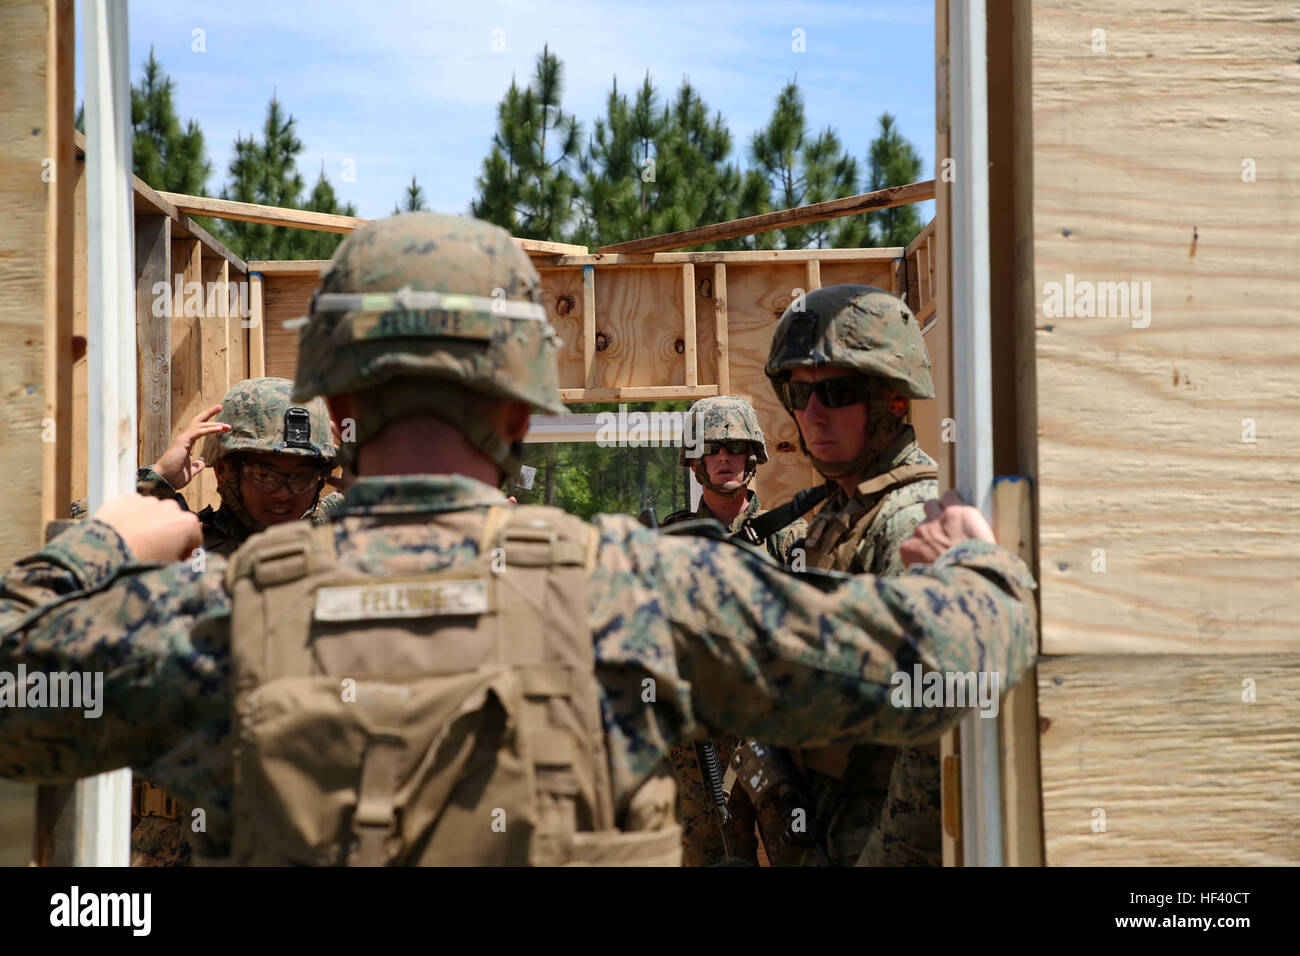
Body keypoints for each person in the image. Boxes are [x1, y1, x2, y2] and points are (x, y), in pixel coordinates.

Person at [0, 213, 1036, 866]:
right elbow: (949, 662)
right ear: (518, 407)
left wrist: (104, 533)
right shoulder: (639, 590)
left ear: (343, 399)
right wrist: (973, 561)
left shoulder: (214, 614)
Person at [758, 283, 945, 866]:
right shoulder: (843, 511)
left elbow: (932, 749)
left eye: (836, 393)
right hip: (830, 822)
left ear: (892, 400)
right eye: (799, 394)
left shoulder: (910, 522)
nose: (811, 416)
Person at [660, 395, 808, 865]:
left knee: (801, 855)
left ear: (751, 457)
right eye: (711, 447)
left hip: (776, 739)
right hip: (698, 749)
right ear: (695, 461)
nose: (723, 456)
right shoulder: (670, 540)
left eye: (733, 446)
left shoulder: (789, 538)